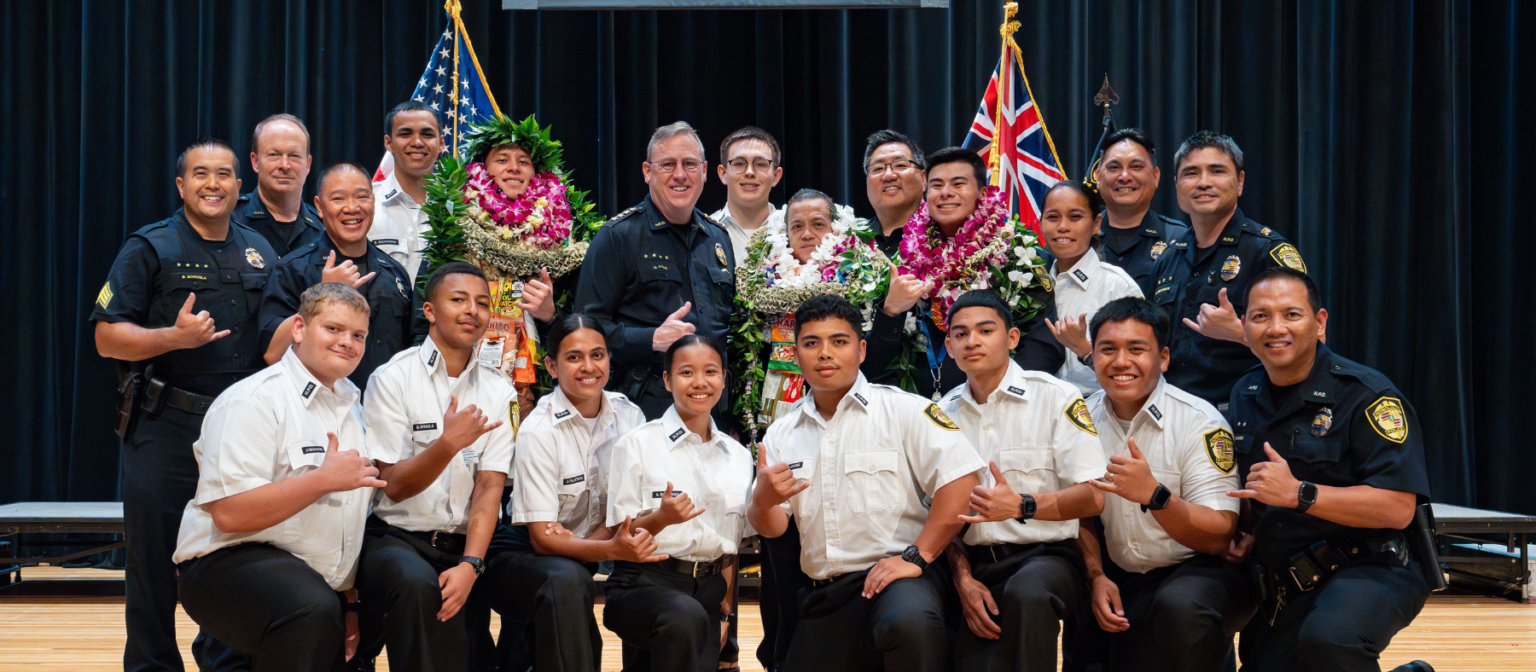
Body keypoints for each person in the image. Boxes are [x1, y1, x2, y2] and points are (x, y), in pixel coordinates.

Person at [92, 138, 276, 672]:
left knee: (231, 557)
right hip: (165, 425)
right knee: (151, 564)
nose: (213, 184)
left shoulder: (261, 249)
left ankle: (223, 664)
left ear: (241, 186)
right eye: (200, 174)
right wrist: (173, 338)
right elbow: (107, 338)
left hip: (239, 432)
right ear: (181, 185)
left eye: (224, 174)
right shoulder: (149, 247)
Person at [749, 294, 985, 672]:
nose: (825, 353)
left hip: (898, 581)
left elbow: (961, 481)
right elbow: (773, 527)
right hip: (824, 594)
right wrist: (762, 500)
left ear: (860, 350)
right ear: (796, 355)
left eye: (838, 342)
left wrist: (917, 555)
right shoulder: (781, 433)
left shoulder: (906, 410)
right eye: (812, 343)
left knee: (910, 622)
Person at [1225, 268, 1433, 672]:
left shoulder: (1367, 396)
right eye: (1260, 316)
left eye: (1291, 314)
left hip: (1372, 565)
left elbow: (1397, 508)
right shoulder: (1244, 392)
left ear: (1320, 322)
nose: (1275, 328)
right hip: (1288, 577)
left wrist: (1300, 494)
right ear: (1245, 327)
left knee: (1330, 643)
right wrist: (1246, 529)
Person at [173, 283, 382, 672]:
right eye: (333, 329)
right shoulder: (252, 400)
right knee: (310, 608)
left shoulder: (353, 404)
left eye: (358, 335)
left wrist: (350, 602)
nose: (347, 343)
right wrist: (321, 480)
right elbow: (230, 515)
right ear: (299, 329)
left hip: (314, 585)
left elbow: (345, 525)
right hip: (227, 566)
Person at [1072, 297, 1254, 672]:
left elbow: (1219, 534)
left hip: (1197, 570)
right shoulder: (1079, 420)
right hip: (1118, 571)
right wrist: (1096, 576)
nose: (1121, 362)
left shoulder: (1199, 421)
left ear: (1164, 358)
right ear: (1092, 357)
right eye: (1108, 350)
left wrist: (1156, 497)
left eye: (1136, 349)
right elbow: (1080, 516)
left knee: (1180, 606)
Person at [350, 262, 515, 672]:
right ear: (428, 311)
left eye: (481, 303)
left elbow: (489, 488)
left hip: (461, 547)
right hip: (397, 538)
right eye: (458, 300)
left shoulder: (500, 389)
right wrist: (447, 444)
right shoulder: (393, 378)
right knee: (418, 588)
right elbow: (393, 485)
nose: (471, 311)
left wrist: (471, 565)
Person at [937, 290, 1106, 672]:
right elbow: (938, 513)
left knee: (1027, 594)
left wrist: (1020, 505)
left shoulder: (1056, 397)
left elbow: (1094, 497)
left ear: (1012, 339)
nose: (972, 341)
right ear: (948, 346)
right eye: (960, 334)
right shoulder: (940, 414)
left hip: (1049, 557)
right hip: (976, 563)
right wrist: (963, 579)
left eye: (985, 330)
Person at [476, 312, 651, 672]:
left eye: (598, 355)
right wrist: (608, 543)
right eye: (574, 357)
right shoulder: (538, 430)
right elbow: (542, 541)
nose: (589, 367)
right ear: (552, 367)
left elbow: (634, 510)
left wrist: (586, 543)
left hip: (582, 552)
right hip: (519, 554)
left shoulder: (629, 416)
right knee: (565, 583)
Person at [602, 334, 754, 672]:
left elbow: (729, 548)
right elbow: (619, 537)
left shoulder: (740, 457)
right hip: (644, 584)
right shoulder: (637, 445)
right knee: (683, 620)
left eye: (711, 372)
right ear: (668, 380)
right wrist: (661, 518)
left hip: (709, 593)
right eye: (686, 373)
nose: (700, 382)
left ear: (724, 379)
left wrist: (726, 611)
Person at [863, 147, 1065, 400]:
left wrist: (1000, 399)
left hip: (998, 407)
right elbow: (871, 367)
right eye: (936, 185)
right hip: (916, 415)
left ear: (982, 193)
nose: (946, 192)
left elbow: (1043, 346)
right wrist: (891, 312)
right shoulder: (903, 261)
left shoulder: (1017, 253)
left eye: (958, 184)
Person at [574, 121, 736, 420]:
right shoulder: (617, 237)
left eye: (689, 164)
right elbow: (584, 332)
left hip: (715, 411)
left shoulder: (718, 237)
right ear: (648, 171)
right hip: (645, 411)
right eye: (668, 165)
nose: (679, 175)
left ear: (704, 171)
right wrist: (651, 339)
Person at [1152, 131, 1307, 407]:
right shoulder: (1168, 258)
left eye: (1217, 171)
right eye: (1190, 173)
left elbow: (1312, 344)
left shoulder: (1267, 252)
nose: (1203, 183)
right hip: (1173, 416)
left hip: (1245, 418)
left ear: (1240, 182)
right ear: (1176, 185)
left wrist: (1240, 332)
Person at [258, 163, 415, 389]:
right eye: (338, 199)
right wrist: (323, 294)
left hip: (384, 410)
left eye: (362, 197)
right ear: (319, 207)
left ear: (373, 201)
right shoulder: (293, 269)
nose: (352, 208)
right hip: (316, 409)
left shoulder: (394, 271)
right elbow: (273, 354)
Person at [1039, 181, 1143, 395]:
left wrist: (1084, 350)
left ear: (1096, 223)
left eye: (1075, 217)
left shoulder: (1116, 285)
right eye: (1052, 217)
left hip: (1101, 411)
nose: (1062, 227)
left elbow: (1143, 370)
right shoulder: (1032, 283)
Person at [1090, 128, 1189, 297]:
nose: (1125, 176)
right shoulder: (1080, 236)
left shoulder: (1179, 238)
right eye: (1114, 167)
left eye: (1136, 167)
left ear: (1155, 177)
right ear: (1098, 177)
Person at [370, 101, 444, 283]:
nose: (417, 142)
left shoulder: (463, 207)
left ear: (441, 143)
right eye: (405, 134)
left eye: (427, 134)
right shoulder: (366, 204)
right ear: (389, 143)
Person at [232, 113, 324, 257]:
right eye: (274, 155)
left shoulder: (324, 230)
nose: (284, 165)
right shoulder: (229, 221)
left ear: (308, 164)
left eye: (294, 156)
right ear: (255, 162)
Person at [711, 126, 785, 261]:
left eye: (760, 164)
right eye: (739, 163)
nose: (749, 172)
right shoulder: (703, 234)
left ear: (776, 176)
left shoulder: (792, 232)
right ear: (723, 174)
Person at [861, 130, 927, 258]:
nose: (888, 175)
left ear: (923, 178)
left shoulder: (945, 234)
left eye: (900, 165)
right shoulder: (850, 242)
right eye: (878, 168)